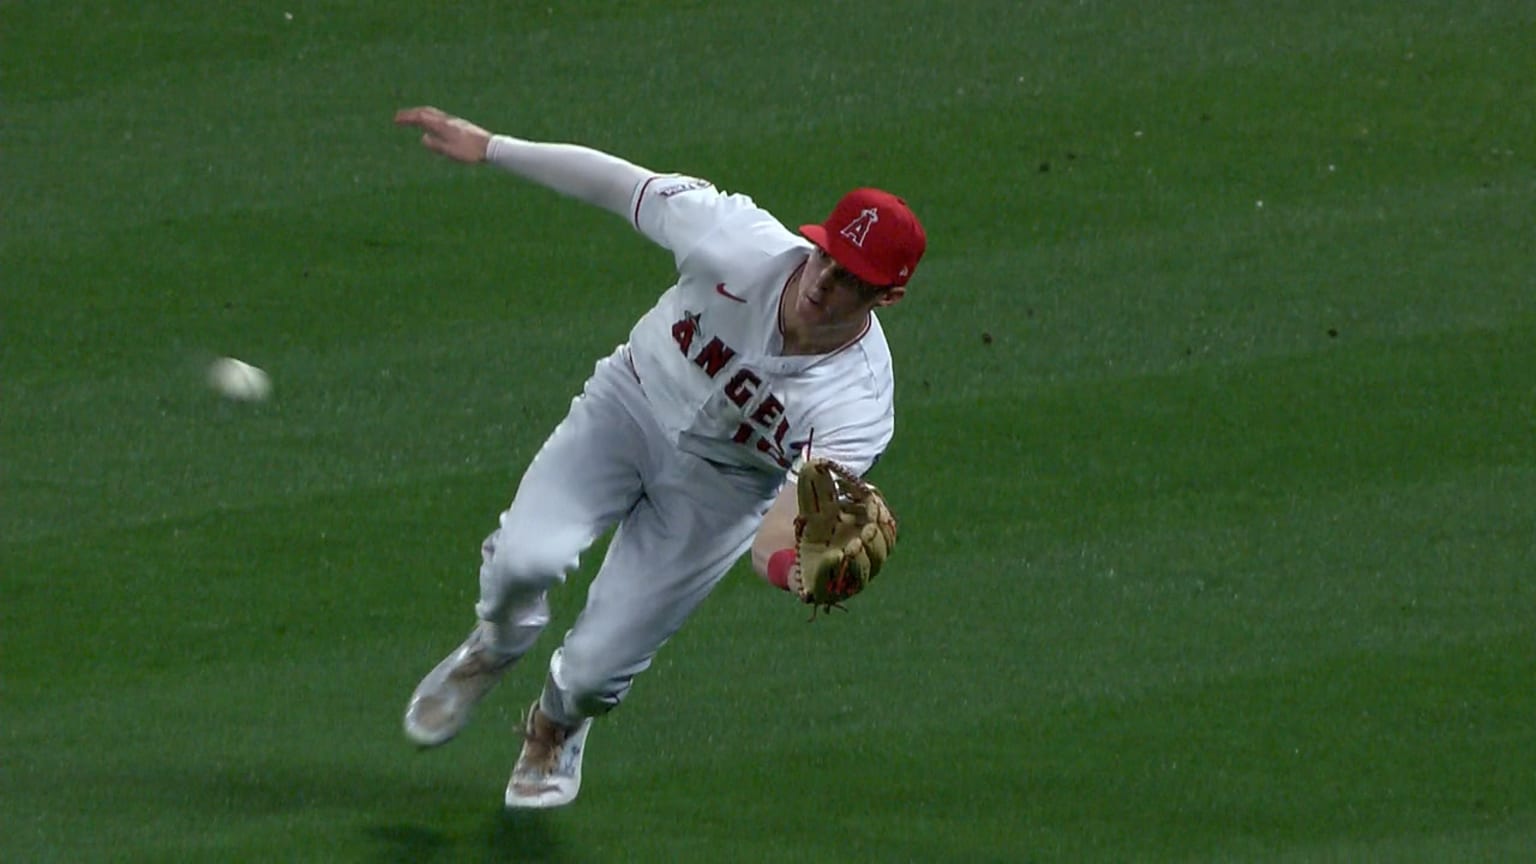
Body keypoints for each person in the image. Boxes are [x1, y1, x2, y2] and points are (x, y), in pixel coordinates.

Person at [394, 105, 926, 809]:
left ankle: (555, 726)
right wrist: (493, 147)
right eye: (827, 255)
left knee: (595, 672)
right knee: (523, 562)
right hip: (628, 408)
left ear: (885, 295)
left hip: (721, 494)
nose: (823, 280)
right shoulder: (734, 238)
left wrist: (790, 567)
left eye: (850, 276)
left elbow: (787, 519)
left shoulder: (857, 405)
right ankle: (497, 641)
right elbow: (620, 184)